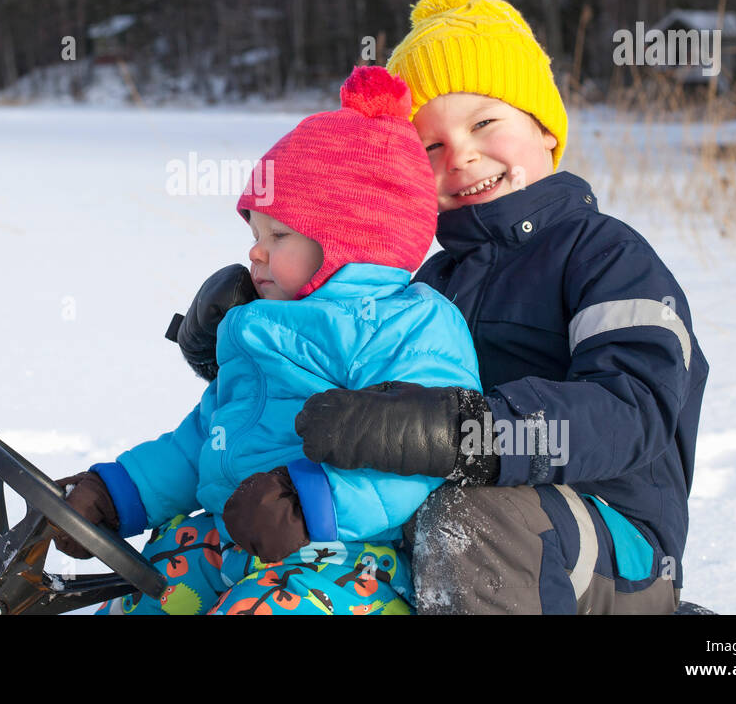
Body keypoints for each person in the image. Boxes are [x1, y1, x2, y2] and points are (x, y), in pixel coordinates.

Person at [287, 0, 711, 613]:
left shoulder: (608, 258)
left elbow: (633, 407)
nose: (459, 156)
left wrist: (470, 434)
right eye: (430, 145)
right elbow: (345, 371)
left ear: (544, 128)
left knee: (469, 517)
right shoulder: (429, 283)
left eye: (484, 121)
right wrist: (248, 331)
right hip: (459, 540)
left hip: (613, 549)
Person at [51, 66, 482, 615]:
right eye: (254, 234)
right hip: (234, 537)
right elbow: (202, 440)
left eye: (278, 235)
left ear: (350, 241)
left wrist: (310, 504)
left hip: (351, 558)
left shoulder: (408, 325)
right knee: (156, 577)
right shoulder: (256, 325)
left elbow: (418, 456)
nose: (255, 253)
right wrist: (119, 494)